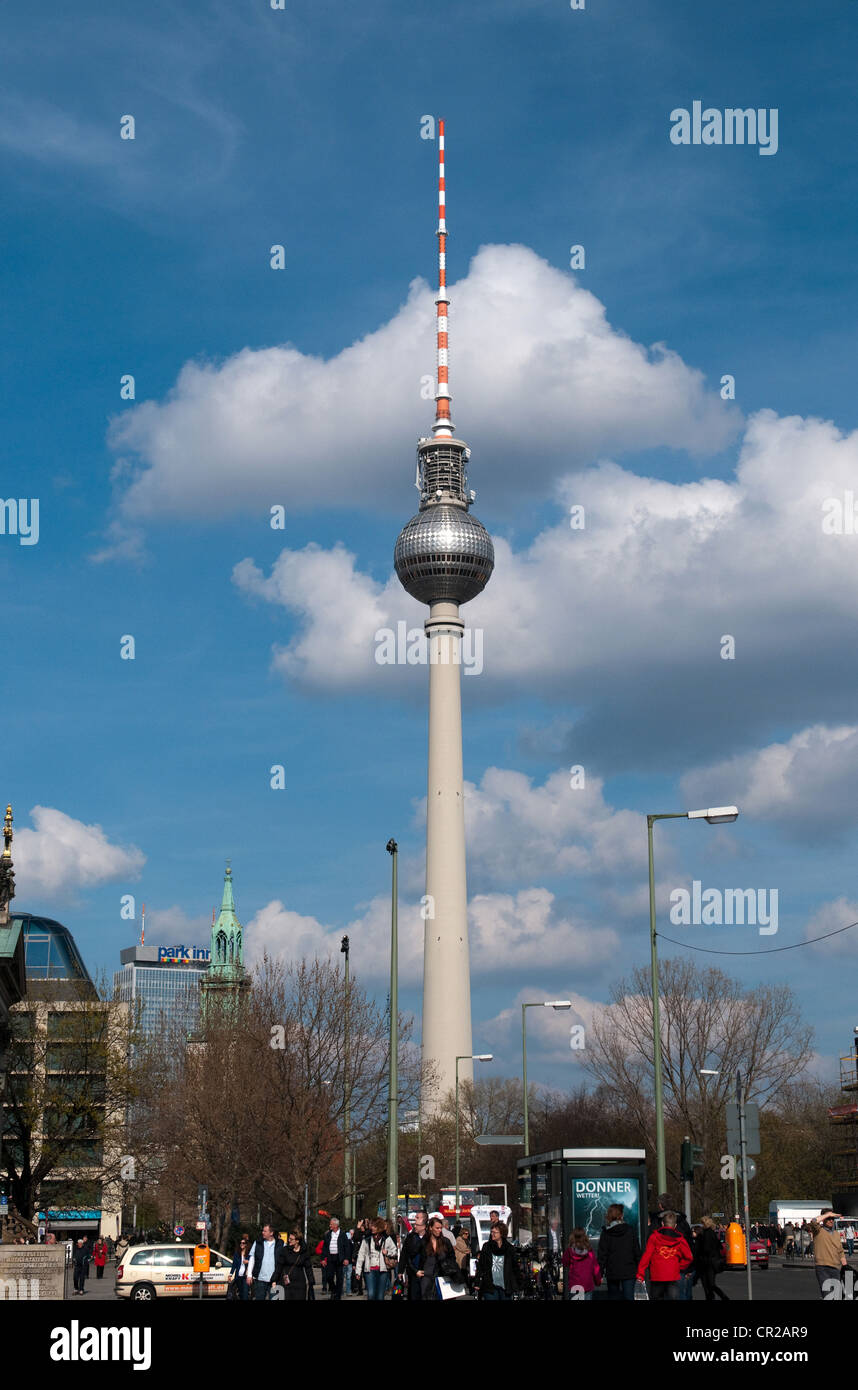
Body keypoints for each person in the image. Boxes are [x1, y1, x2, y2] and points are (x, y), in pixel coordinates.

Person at [636, 1210, 693, 1300]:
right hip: (673, 1276)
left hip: (657, 1276)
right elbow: (689, 1257)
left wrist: (640, 1273)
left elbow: (647, 1256)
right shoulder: (680, 1240)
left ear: (662, 1223)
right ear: (675, 1226)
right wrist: (679, 1266)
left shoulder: (654, 1237)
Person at [596, 1203, 641, 1301]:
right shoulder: (630, 1230)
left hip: (612, 1271)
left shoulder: (606, 1232)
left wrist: (599, 1273)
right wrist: (640, 1270)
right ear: (621, 1215)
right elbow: (636, 1251)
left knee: (613, 1297)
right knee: (629, 1297)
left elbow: (602, 1255)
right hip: (629, 1270)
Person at [416, 1214, 459, 1300]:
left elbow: (452, 1257)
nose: (439, 1230)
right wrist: (415, 1271)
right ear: (430, 1228)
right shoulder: (424, 1242)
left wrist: (449, 1268)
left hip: (443, 1277)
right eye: (437, 1228)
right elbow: (412, 1257)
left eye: (440, 1228)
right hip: (427, 1277)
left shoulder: (445, 1242)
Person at [475, 1221, 521, 1301]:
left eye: (495, 1232)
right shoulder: (487, 1246)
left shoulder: (509, 1248)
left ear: (502, 1234)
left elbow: (514, 1267)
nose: (492, 1234)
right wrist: (477, 1282)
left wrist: (518, 1283)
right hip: (490, 1285)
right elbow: (480, 1265)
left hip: (506, 1285)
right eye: (491, 1232)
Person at [354, 1218, 398, 1300]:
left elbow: (395, 1251)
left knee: (380, 1296)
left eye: (374, 1226)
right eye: (372, 1225)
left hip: (383, 1270)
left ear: (379, 1227)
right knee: (371, 1294)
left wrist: (387, 1252)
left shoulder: (386, 1239)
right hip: (369, 1270)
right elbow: (361, 1255)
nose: (372, 1228)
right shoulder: (367, 1239)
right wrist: (358, 1271)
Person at [810, 1211, 846, 1298]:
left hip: (836, 1268)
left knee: (837, 1295)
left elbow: (840, 1251)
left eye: (832, 1219)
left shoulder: (836, 1234)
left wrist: (845, 1266)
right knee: (827, 1295)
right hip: (823, 1268)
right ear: (823, 1219)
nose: (831, 1221)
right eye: (828, 1219)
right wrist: (828, 1214)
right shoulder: (818, 1231)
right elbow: (813, 1221)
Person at [246, 1223, 285, 1301]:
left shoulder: (281, 1244)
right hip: (260, 1279)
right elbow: (252, 1258)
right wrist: (249, 1275)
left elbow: (285, 1259)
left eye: (265, 1231)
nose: (262, 1232)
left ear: (271, 1233)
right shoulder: (258, 1243)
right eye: (262, 1231)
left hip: (275, 1280)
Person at [274, 1230, 316, 1301]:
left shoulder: (304, 1252)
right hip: (286, 1283)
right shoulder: (285, 1250)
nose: (288, 1240)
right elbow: (279, 1266)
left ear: (297, 1241)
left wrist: (311, 1282)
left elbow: (308, 1268)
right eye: (289, 1238)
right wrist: (274, 1280)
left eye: (291, 1239)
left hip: (299, 1284)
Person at [695, 1216, 729, 1302]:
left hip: (705, 1263)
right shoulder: (712, 1233)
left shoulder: (704, 1235)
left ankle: (718, 1297)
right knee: (711, 1284)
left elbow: (703, 1249)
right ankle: (721, 1297)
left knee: (707, 1285)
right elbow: (719, 1247)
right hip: (713, 1262)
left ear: (704, 1224)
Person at [561, 1228, 601, 1300]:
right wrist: (598, 1281)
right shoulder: (589, 1252)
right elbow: (596, 1268)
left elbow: (565, 1262)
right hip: (587, 1284)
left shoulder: (570, 1251)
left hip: (575, 1284)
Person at [321, 1217, 352, 1301]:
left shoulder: (342, 1234)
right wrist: (323, 1258)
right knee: (328, 1276)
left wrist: (346, 1259)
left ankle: (337, 1296)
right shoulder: (328, 1234)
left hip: (339, 1258)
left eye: (331, 1224)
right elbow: (324, 1247)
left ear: (335, 1225)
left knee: (339, 1278)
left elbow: (347, 1248)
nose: (329, 1225)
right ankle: (334, 1290)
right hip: (330, 1258)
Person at [398, 1211, 427, 1300]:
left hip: (427, 1273)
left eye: (417, 1218)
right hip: (413, 1273)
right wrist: (400, 1270)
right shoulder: (411, 1237)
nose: (415, 1219)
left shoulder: (430, 1237)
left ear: (424, 1224)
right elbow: (404, 1254)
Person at [228, 1234, 252, 1300]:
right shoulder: (237, 1253)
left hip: (245, 1277)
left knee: (245, 1294)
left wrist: (248, 1262)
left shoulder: (249, 1254)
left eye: (243, 1243)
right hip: (238, 1276)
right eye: (240, 1243)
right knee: (240, 1294)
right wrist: (230, 1274)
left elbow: (254, 1263)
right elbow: (234, 1265)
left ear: (246, 1244)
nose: (242, 1244)